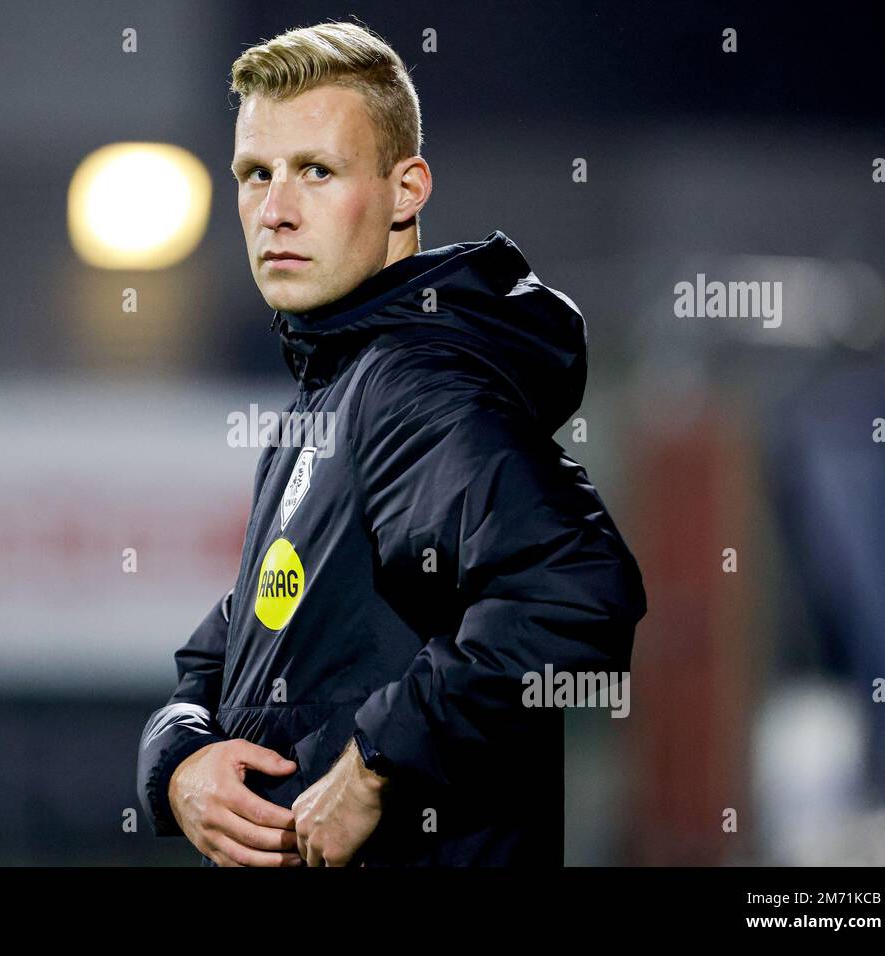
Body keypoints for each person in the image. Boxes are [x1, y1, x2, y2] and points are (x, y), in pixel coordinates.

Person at [136, 19, 647, 867]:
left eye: (317, 173)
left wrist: (375, 762)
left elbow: (575, 593)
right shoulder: (331, 393)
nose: (275, 210)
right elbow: (229, 643)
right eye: (254, 174)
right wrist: (178, 758)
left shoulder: (413, 382)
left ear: (406, 189)